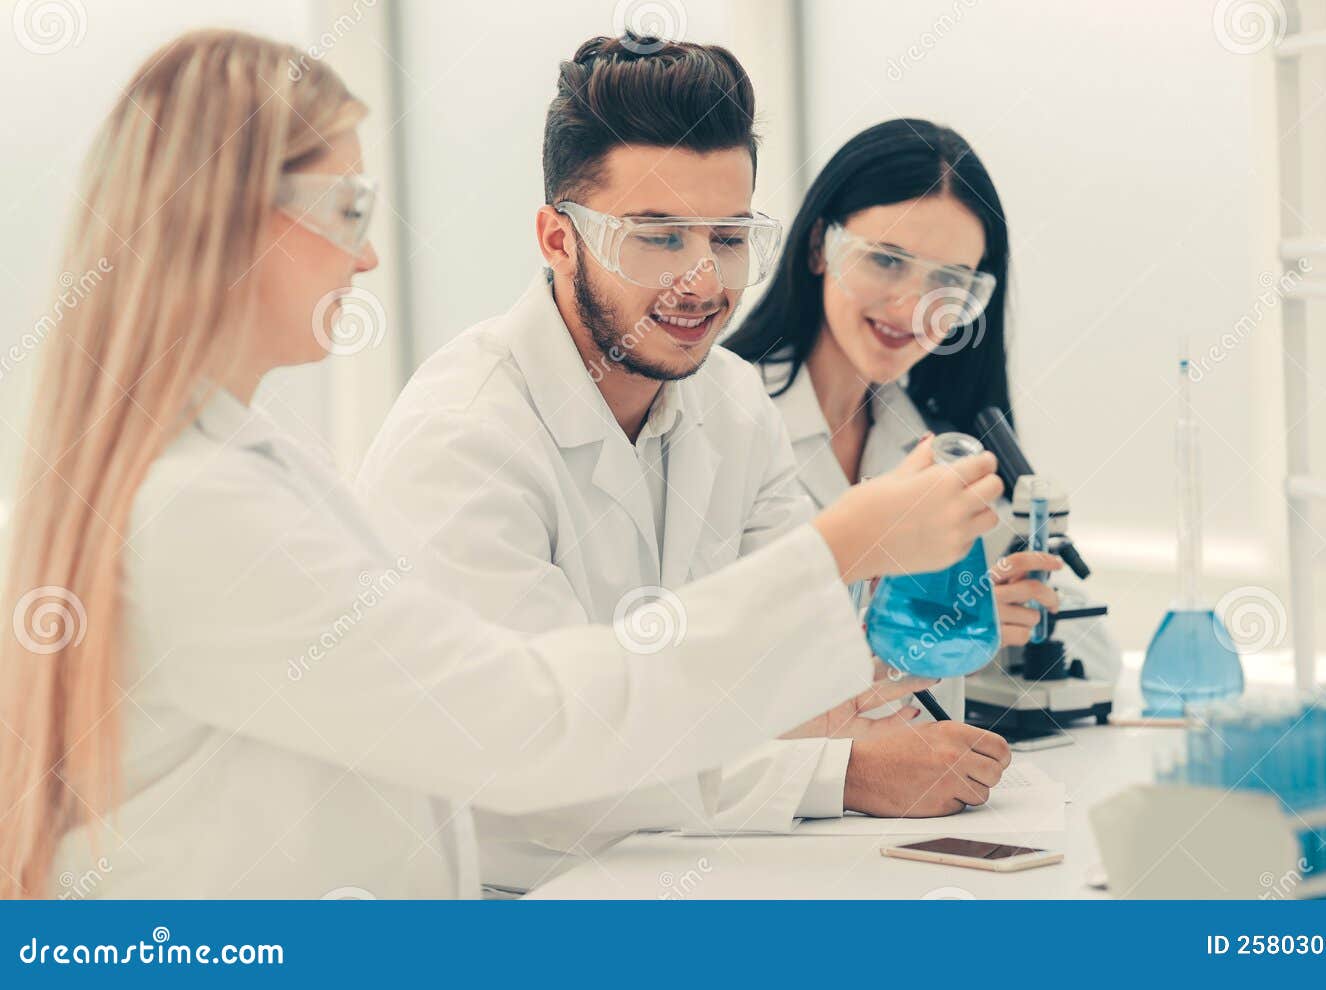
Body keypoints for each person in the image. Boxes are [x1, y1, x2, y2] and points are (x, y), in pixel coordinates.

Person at [0, 30, 1001, 899]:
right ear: (231, 222)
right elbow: (534, 735)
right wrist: (848, 545)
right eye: (346, 210)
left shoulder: (246, 464)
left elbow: (771, 695)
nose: (368, 259)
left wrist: (871, 613)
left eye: (728, 237)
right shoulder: (223, 504)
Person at [358, 36, 1013, 892]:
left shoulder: (730, 403)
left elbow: (807, 688)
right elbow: (543, 763)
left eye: (729, 237)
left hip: (676, 883)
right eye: (659, 239)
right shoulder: (462, 441)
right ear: (559, 238)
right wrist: (840, 772)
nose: (703, 282)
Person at [725, 118, 1121, 728]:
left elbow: (1097, 655)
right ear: (817, 248)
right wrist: (901, 613)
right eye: (886, 260)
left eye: (948, 281)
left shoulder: (937, 435)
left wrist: (1008, 625)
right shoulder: (721, 415)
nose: (913, 308)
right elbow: (709, 658)